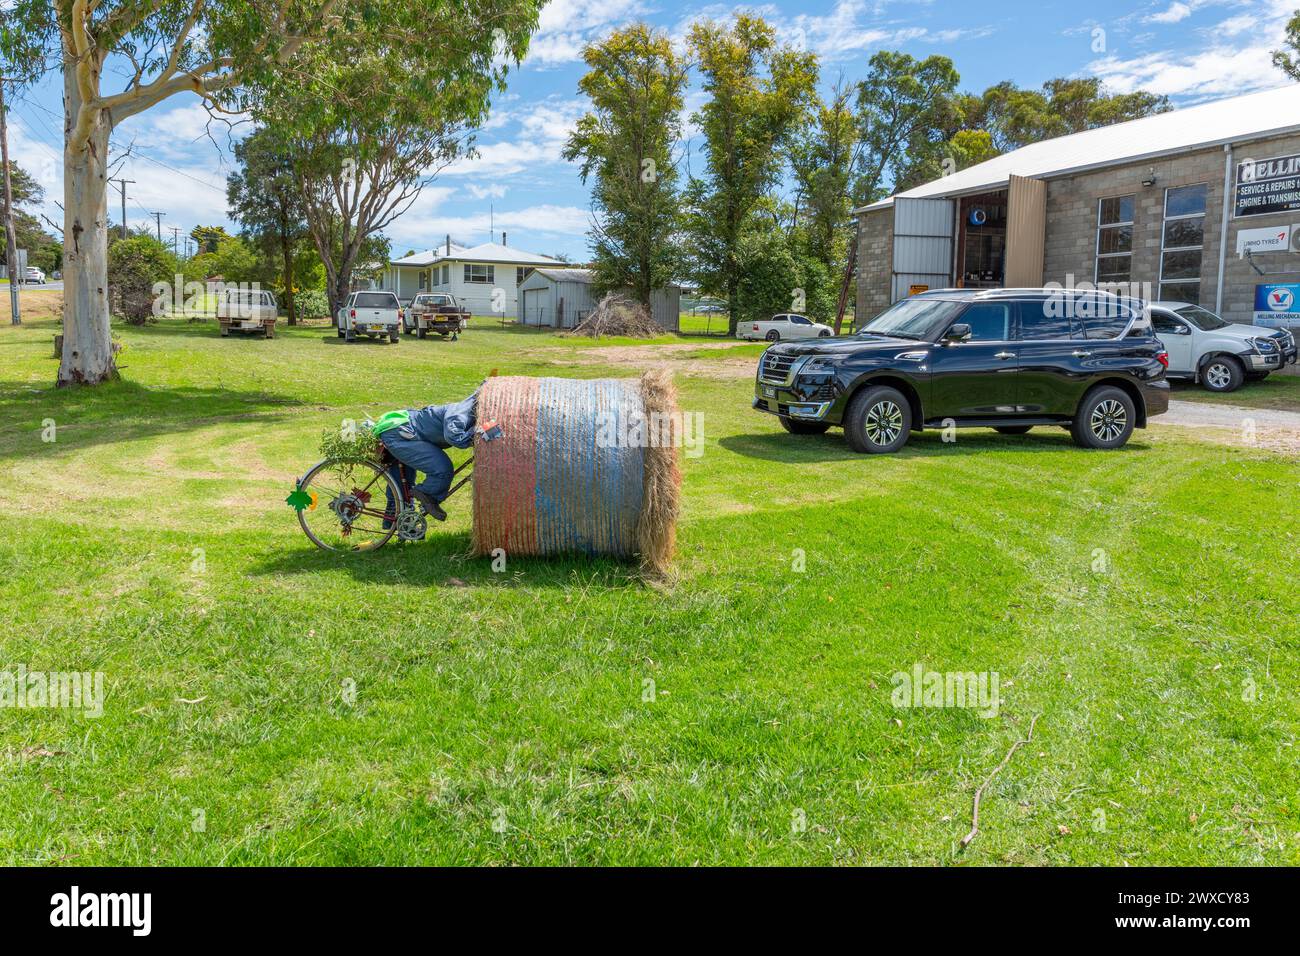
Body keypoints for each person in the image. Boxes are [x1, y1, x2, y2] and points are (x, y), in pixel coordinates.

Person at [369, 391, 477, 522]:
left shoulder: (466, 410)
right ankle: (426, 493)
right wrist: (478, 433)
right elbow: (454, 436)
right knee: (442, 469)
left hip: (403, 431)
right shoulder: (460, 412)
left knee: (402, 488)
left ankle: (401, 528)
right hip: (399, 434)